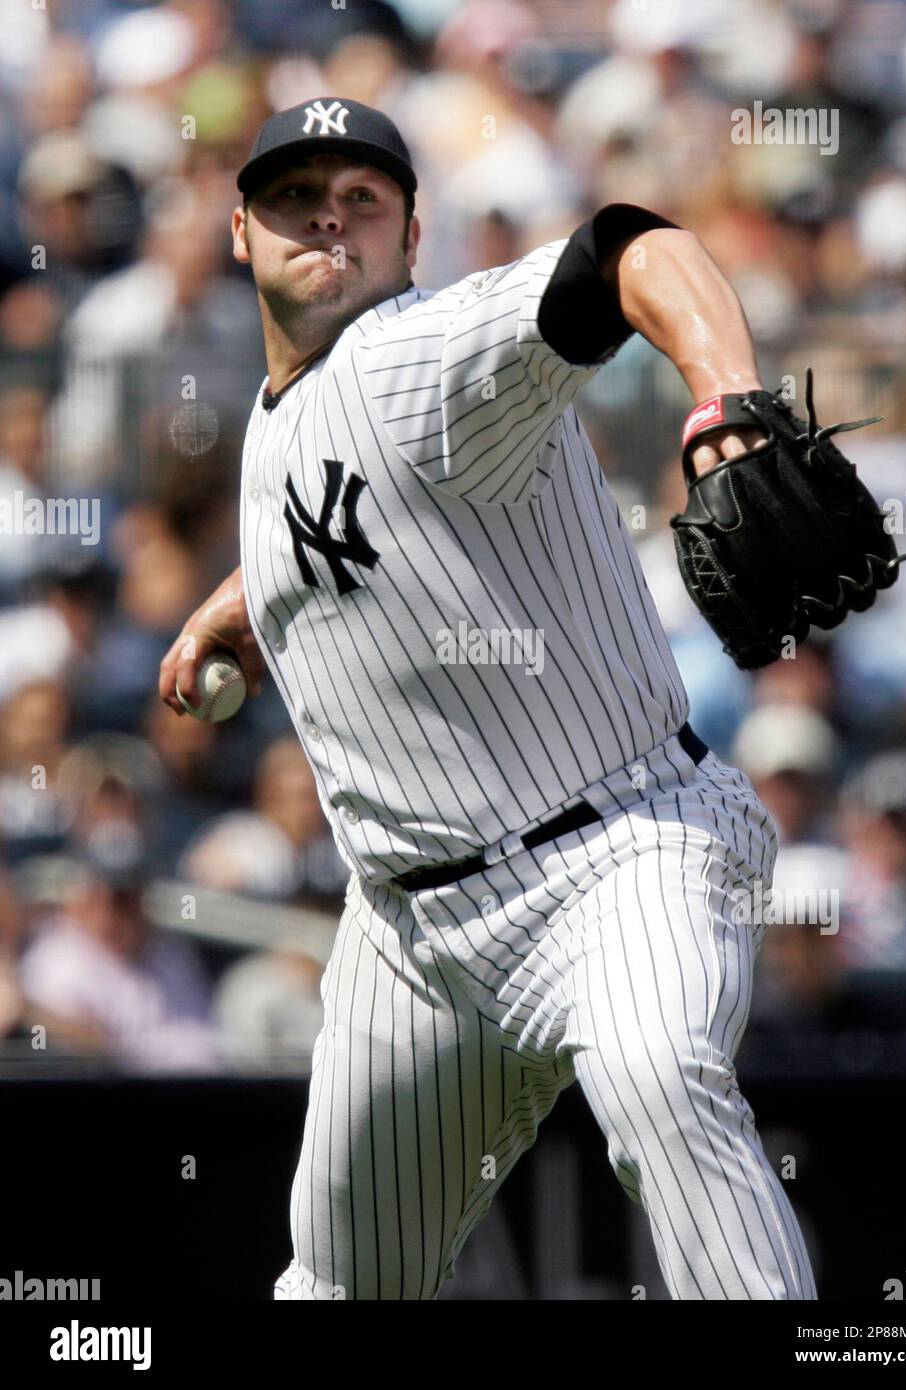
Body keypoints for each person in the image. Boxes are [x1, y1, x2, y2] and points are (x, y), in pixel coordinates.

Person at [159, 97, 816, 1300]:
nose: (328, 218)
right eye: (294, 196)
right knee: (336, 1284)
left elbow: (635, 252)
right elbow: (353, 503)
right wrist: (248, 599)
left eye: (362, 198)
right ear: (239, 232)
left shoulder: (420, 352)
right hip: (409, 939)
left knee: (657, 1073)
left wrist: (723, 398)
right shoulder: (278, 409)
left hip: (618, 854)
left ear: (412, 239)